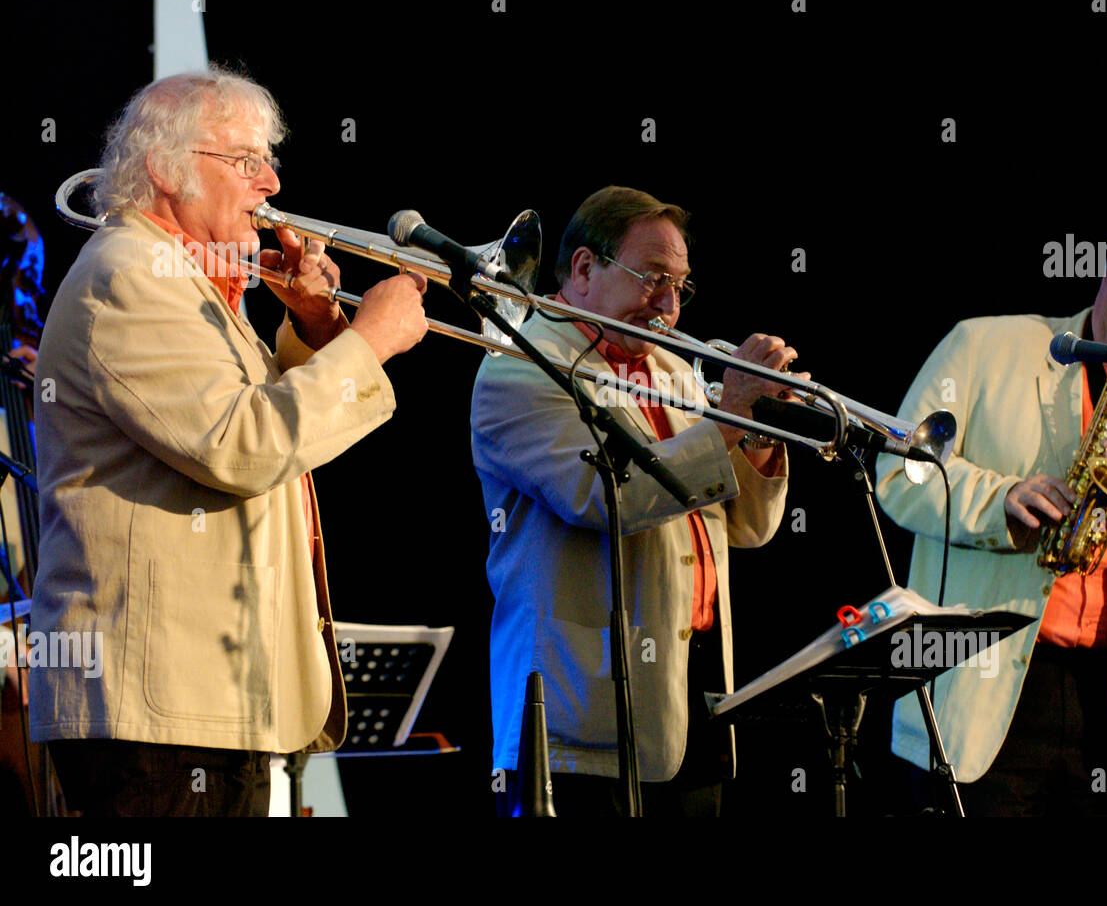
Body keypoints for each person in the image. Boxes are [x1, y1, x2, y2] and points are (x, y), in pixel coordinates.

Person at [28, 67, 429, 816]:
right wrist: (369, 342)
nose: (271, 181)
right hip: (153, 716)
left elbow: (262, 418)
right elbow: (241, 446)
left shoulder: (185, 281)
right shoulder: (128, 275)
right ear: (164, 169)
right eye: (245, 160)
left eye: (267, 160)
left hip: (199, 706)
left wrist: (316, 328)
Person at [875, 208, 1107, 814]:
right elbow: (900, 472)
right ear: (1106, 265)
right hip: (987, 687)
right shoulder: (981, 344)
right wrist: (999, 499)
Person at [471, 186, 795, 816]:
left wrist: (757, 428)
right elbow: (602, 499)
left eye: (681, 286)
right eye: (653, 280)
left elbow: (747, 528)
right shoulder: (520, 369)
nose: (669, 306)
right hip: (581, 710)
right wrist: (727, 416)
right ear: (586, 268)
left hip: (695, 695)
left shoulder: (673, 372)